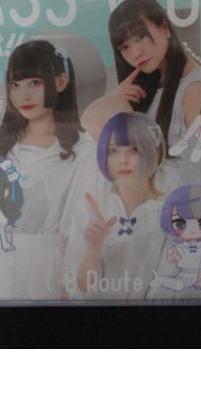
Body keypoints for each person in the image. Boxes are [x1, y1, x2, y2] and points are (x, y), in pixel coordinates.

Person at [0, 40, 94, 300]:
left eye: (34, 83)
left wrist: (70, 289)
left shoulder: (82, 149)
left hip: (46, 269)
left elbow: (79, 227)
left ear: (60, 82)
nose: (23, 95)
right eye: (15, 85)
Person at [63, 112, 167, 301]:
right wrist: (94, 246)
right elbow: (78, 290)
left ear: (155, 152)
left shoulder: (170, 214)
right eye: (113, 150)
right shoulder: (89, 210)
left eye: (134, 149)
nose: (123, 160)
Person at [82, 0, 201, 148]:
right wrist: (112, 99)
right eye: (125, 47)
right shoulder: (152, 85)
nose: (135, 53)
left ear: (165, 28)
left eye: (140, 38)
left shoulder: (195, 88)